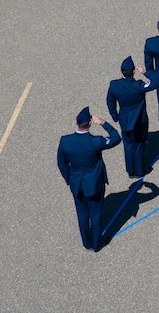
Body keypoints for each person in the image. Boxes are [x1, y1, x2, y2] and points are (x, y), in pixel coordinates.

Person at [56, 107, 121, 251]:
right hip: (94, 183)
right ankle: (97, 243)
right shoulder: (96, 142)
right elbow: (116, 138)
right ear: (90, 123)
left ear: (76, 123)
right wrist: (103, 123)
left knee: (82, 213)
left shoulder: (65, 141)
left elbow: (61, 163)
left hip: (76, 183)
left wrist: (70, 179)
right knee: (96, 213)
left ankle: (87, 242)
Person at [105, 56, 158, 179]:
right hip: (139, 120)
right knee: (138, 144)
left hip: (124, 119)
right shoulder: (138, 85)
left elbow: (110, 102)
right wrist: (146, 73)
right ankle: (139, 170)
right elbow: (157, 82)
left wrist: (115, 117)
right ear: (133, 71)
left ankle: (130, 170)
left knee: (128, 145)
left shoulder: (114, 85)